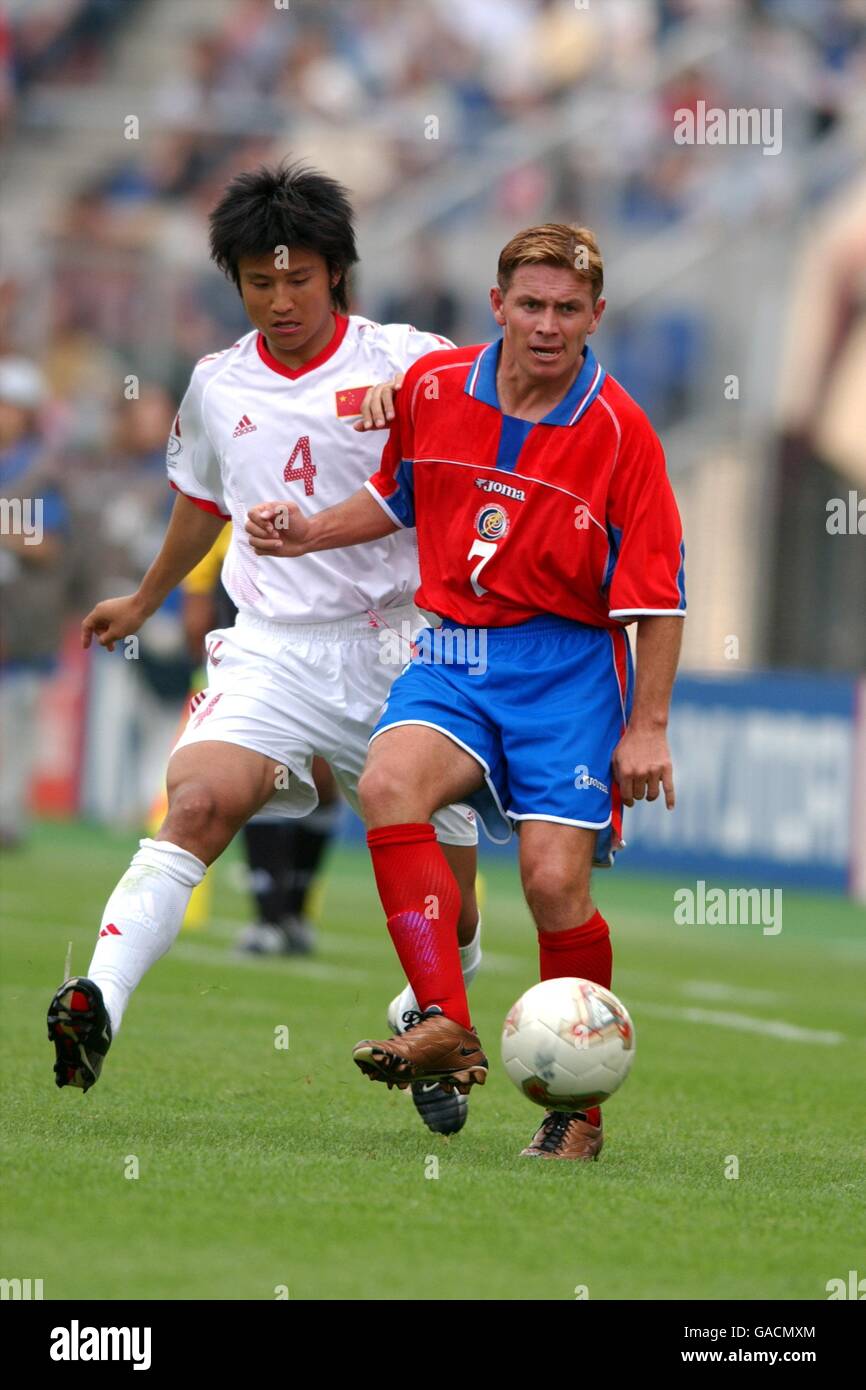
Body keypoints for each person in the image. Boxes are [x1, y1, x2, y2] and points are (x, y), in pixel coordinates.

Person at [47, 161, 481, 1138]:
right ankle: (98, 1001)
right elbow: (204, 502)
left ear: (336, 273)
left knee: (449, 916)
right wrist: (145, 598)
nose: (280, 299)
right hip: (273, 643)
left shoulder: (409, 357)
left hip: (407, 652)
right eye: (258, 281)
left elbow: (495, 415)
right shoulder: (214, 384)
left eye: (298, 277)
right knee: (197, 801)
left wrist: (423, 406)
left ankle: (425, 1016)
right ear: (235, 283)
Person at [245, 222, 686, 1161]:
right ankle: (446, 1021)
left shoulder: (622, 433)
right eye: (530, 304)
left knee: (552, 885)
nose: (547, 324)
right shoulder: (437, 389)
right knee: (386, 784)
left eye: (569, 309)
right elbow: (399, 495)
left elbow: (660, 600)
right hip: (453, 651)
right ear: (497, 307)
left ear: (596, 317)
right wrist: (309, 531)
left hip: (567, 670)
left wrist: (647, 728)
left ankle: (580, 1118)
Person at [181, 525, 339, 956]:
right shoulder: (238, 502)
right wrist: (195, 607)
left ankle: (296, 913)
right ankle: (269, 918)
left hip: (325, 650)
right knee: (257, 776)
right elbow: (201, 569)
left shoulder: (329, 498)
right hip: (249, 656)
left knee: (324, 782)